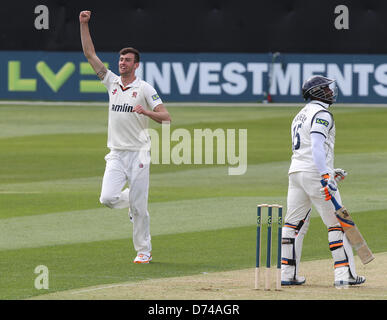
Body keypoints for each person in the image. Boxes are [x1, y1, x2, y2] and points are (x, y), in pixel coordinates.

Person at [79, 10, 171, 264]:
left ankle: (144, 251)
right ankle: (130, 198)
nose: (122, 63)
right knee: (107, 198)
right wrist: (83, 24)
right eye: (121, 60)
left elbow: (166, 117)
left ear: (136, 64)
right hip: (117, 153)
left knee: (141, 209)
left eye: (128, 60)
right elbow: (90, 54)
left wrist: (147, 112)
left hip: (139, 153)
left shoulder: (145, 89)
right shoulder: (112, 83)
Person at [281, 75, 365, 287]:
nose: (330, 92)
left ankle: (287, 274)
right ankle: (344, 275)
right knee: (337, 224)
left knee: (294, 225)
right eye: (326, 89)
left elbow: (309, 148)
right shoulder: (322, 114)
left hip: (296, 173)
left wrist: (328, 169)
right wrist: (325, 175)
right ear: (317, 92)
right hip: (315, 175)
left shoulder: (299, 115)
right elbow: (317, 146)